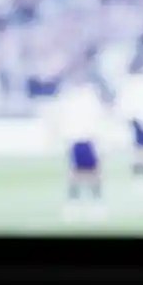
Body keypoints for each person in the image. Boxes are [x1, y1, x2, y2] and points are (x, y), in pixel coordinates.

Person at [50, 78, 109, 221]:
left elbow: (98, 118)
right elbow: (62, 118)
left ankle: (96, 201)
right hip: (75, 138)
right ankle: (74, 202)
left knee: (94, 171)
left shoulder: (91, 96)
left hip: (90, 137)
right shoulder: (69, 97)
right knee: (75, 172)